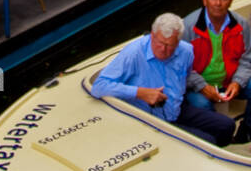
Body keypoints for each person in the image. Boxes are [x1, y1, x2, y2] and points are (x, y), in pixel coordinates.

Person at [90, 12, 234, 146]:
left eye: (170, 45)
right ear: (152, 35)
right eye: (160, 42)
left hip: (176, 108)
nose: (163, 49)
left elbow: (187, 75)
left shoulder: (186, 51)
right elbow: (99, 86)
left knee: (227, 126)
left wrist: (201, 86)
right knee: (208, 141)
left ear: (178, 42)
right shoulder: (133, 53)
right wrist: (140, 92)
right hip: (150, 119)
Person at [181, 0, 251, 144]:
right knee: (202, 106)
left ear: (230, 1)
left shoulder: (241, 25)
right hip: (197, 86)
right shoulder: (187, 28)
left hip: (229, 80)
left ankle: (249, 130)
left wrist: (237, 82)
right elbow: (181, 67)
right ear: (205, 0)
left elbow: (248, 58)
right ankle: (217, 140)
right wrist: (202, 86)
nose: (218, 3)